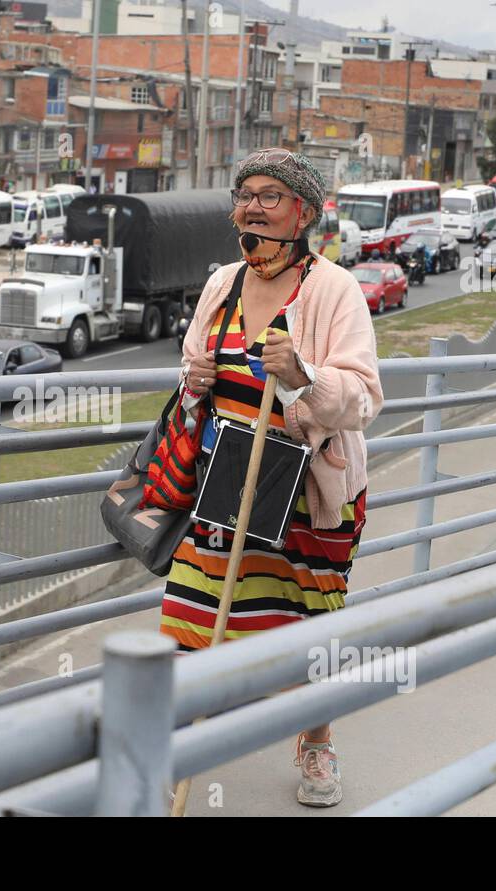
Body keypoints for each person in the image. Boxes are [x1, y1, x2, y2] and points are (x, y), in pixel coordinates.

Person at [168, 147, 383, 808]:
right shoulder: (223, 283)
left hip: (305, 496)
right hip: (223, 488)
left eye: (269, 194)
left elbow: (364, 397)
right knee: (191, 622)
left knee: (305, 630)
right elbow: (191, 366)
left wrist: (301, 376)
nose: (252, 205)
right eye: (245, 194)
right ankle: (174, 757)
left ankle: (314, 742)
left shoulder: (332, 289)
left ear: (305, 212)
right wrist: (195, 380)